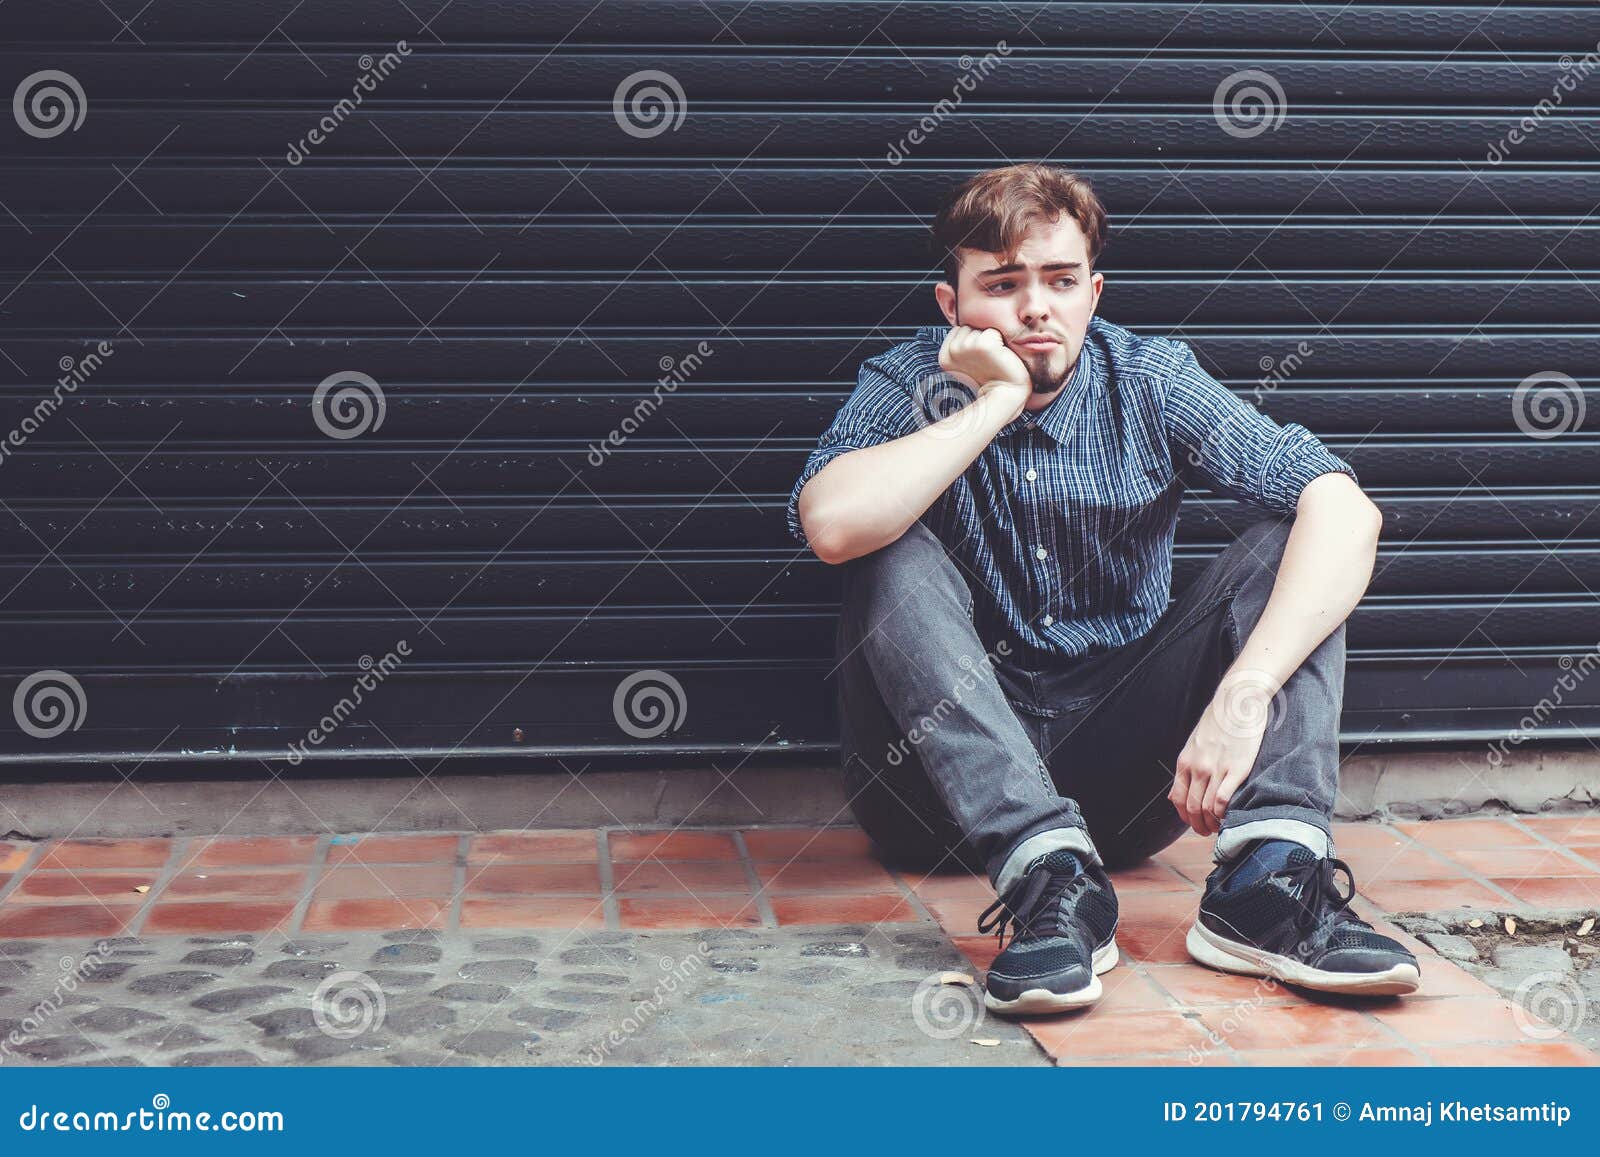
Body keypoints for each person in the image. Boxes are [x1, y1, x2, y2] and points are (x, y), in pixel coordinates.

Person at [785, 162, 1420, 1015]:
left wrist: (1244, 694)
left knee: (1291, 544)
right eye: (1002, 284)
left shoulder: (1149, 379)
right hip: (932, 796)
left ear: (1094, 290)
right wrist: (994, 402)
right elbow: (831, 524)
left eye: (1059, 280)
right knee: (887, 550)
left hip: (1124, 785)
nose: (1035, 307)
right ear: (952, 306)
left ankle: (1266, 883)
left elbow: (1346, 511)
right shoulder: (912, 382)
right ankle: (1047, 878)